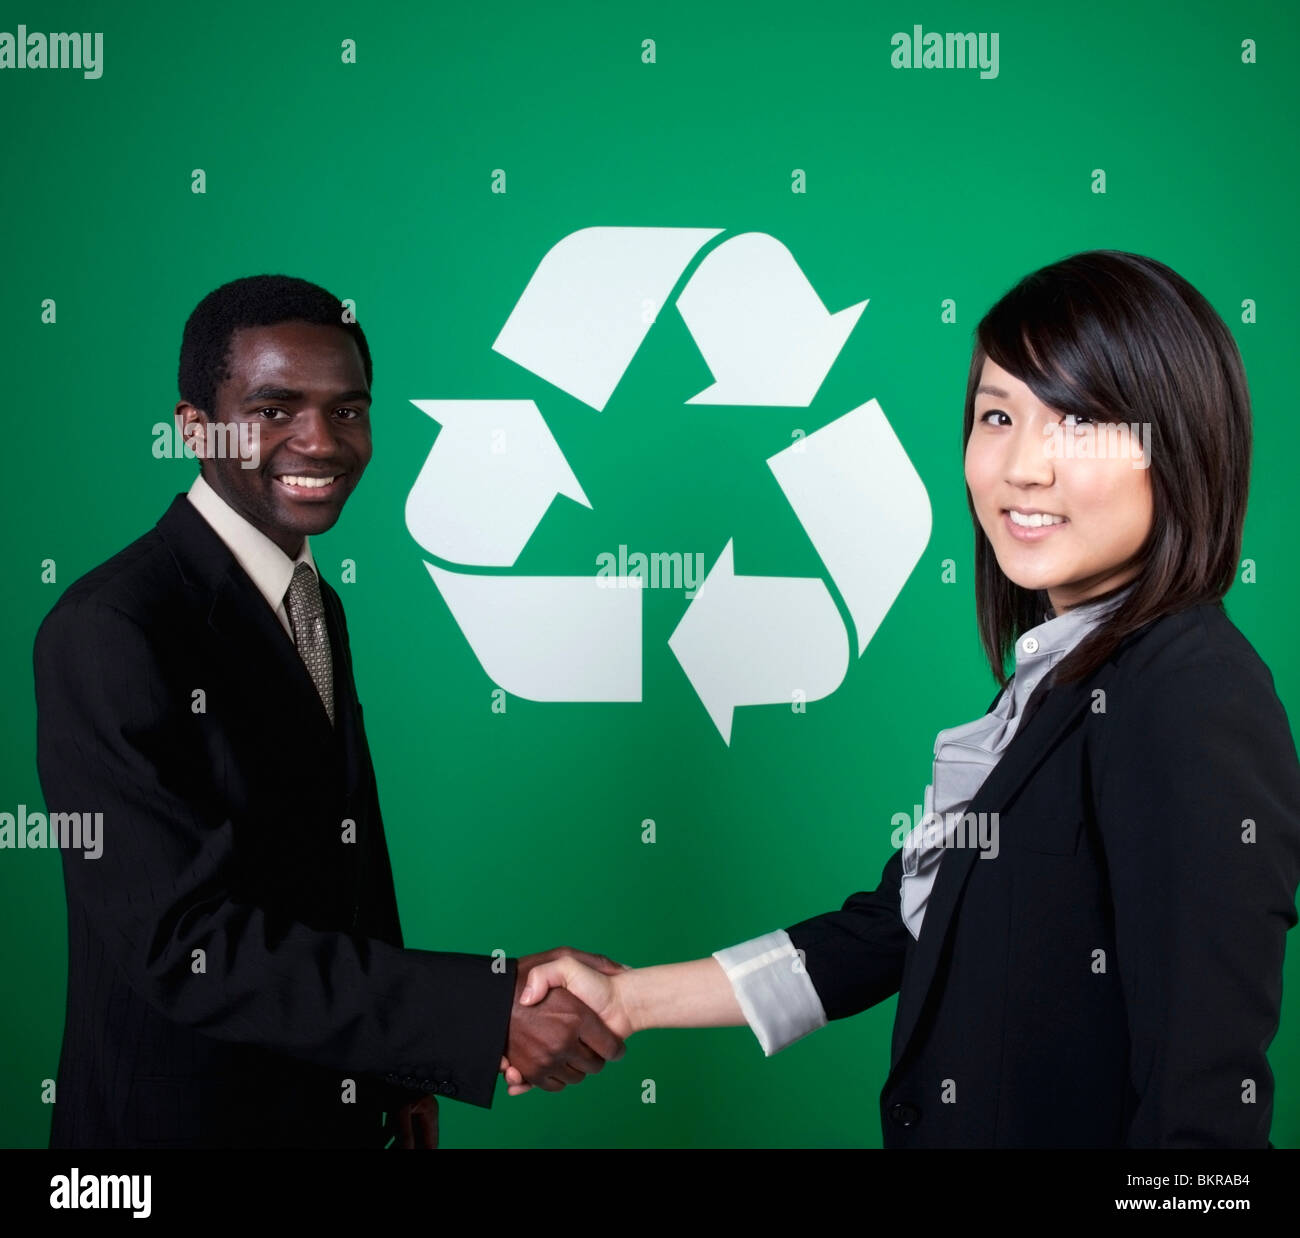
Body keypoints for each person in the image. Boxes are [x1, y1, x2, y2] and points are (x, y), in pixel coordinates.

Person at [507, 250, 1300, 1148]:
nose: (1022, 468)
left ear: (1182, 446)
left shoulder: (1191, 696)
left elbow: (1204, 1114)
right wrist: (628, 999)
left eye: (1080, 421)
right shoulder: (1061, 681)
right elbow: (893, 927)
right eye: (998, 415)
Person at [34, 275, 624, 1149]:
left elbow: (342, 855)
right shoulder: (112, 627)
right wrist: (476, 1016)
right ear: (195, 427)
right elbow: (181, 940)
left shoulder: (312, 600)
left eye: (348, 411)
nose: (320, 441)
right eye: (275, 409)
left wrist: (400, 1077)